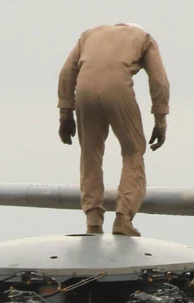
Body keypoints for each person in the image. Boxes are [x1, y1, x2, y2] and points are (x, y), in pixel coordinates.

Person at [57, 23, 170, 237]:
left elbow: (66, 73)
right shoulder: (145, 38)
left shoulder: (89, 35)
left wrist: (65, 114)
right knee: (133, 151)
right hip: (118, 88)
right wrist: (160, 120)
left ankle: (93, 221)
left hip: (84, 88)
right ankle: (123, 218)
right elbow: (159, 81)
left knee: (89, 154)